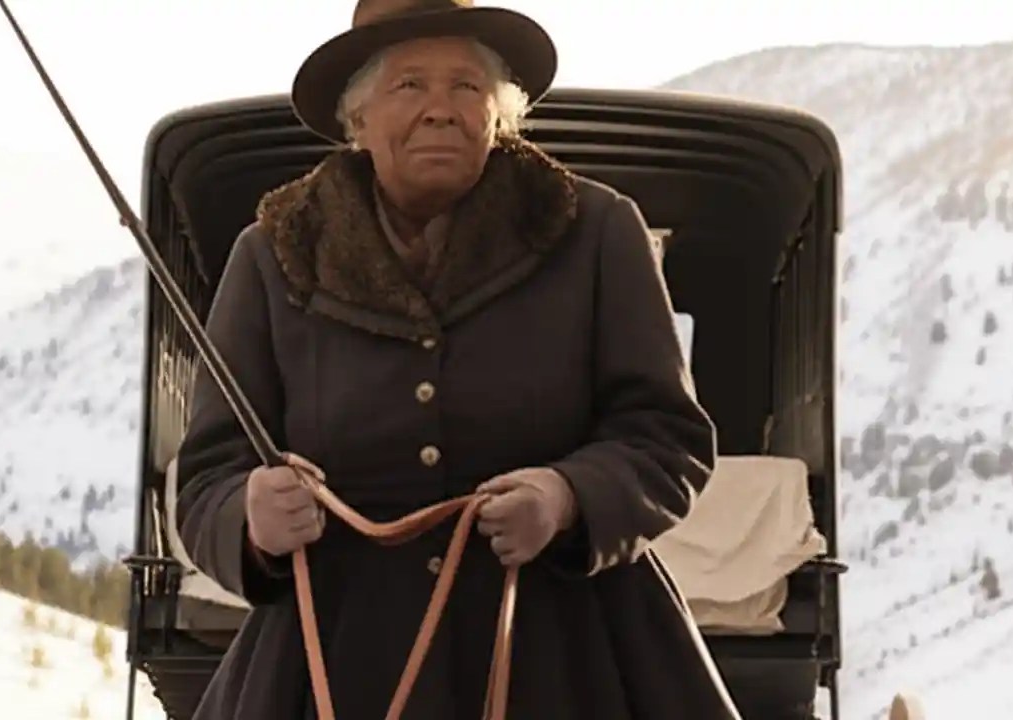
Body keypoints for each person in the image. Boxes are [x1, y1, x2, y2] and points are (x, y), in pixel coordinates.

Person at [173, 0, 742, 718]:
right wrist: (251, 516)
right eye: (409, 84)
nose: (440, 108)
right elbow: (206, 481)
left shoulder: (597, 231)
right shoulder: (273, 254)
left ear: (499, 116)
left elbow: (667, 439)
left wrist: (566, 497)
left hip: (566, 651)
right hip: (337, 656)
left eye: (466, 85)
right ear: (359, 119)